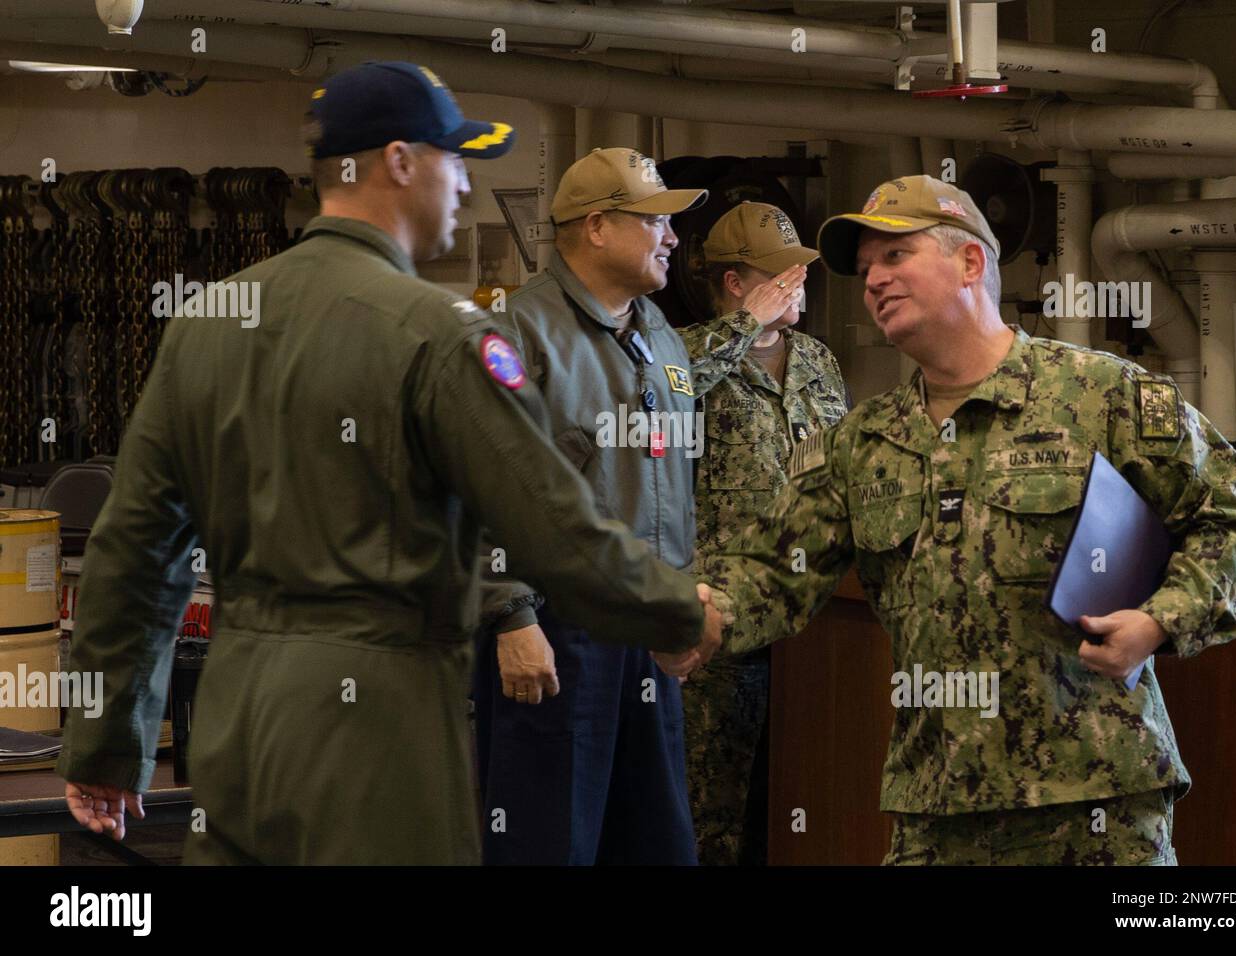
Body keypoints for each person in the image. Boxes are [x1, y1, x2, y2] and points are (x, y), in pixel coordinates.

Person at [55, 63, 721, 865]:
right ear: (401, 163)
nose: (467, 190)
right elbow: (554, 526)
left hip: (240, 727)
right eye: (456, 161)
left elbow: (132, 552)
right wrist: (681, 611)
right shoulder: (440, 334)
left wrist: (105, 746)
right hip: (380, 728)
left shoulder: (208, 323)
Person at [675, 175, 1236, 865]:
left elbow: (1235, 524)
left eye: (895, 257)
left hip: (1093, 797)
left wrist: (1160, 619)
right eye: (866, 267)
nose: (872, 280)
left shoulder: (1099, 396)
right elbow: (771, 572)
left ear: (970, 263)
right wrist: (698, 616)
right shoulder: (864, 441)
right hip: (938, 808)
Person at [474, 147, 711, 865]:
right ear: (599, 227)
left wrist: (679, 608)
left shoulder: (660, 333)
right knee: (551, 843)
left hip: (646, 629)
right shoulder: (516, 333)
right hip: (556, 639)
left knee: (656, 843)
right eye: (655, 222)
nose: (672, 237)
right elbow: (482, 478)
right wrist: (510, 613)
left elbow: (672, 485)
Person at [677, 201, 849, 865]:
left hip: (812, 619)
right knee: (711, 809)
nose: (798, 284)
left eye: (801, 271)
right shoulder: (686, 353)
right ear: (734, 284)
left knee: (797, 802)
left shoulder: (818, 362)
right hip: (719, 615)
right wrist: (743, 329)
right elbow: (653, 404)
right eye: (780, 276)